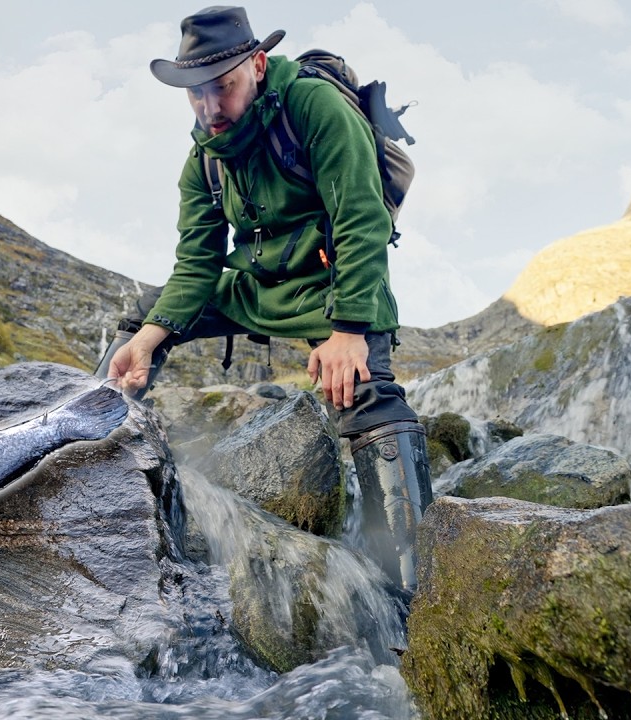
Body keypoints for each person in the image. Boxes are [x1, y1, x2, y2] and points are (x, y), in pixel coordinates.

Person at [97, 6, 432, 590]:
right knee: (143, 318)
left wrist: (349, 331)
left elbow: (361, 218)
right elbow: (196, 265)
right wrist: (150, 336)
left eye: (221, 89)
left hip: (334, 282)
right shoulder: (203, 159)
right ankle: (91, 451)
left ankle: (411, 587)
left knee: (366, 394)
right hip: (253, 283)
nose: (209, 108)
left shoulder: (314, 108)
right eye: (195, 95)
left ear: (255, 64)